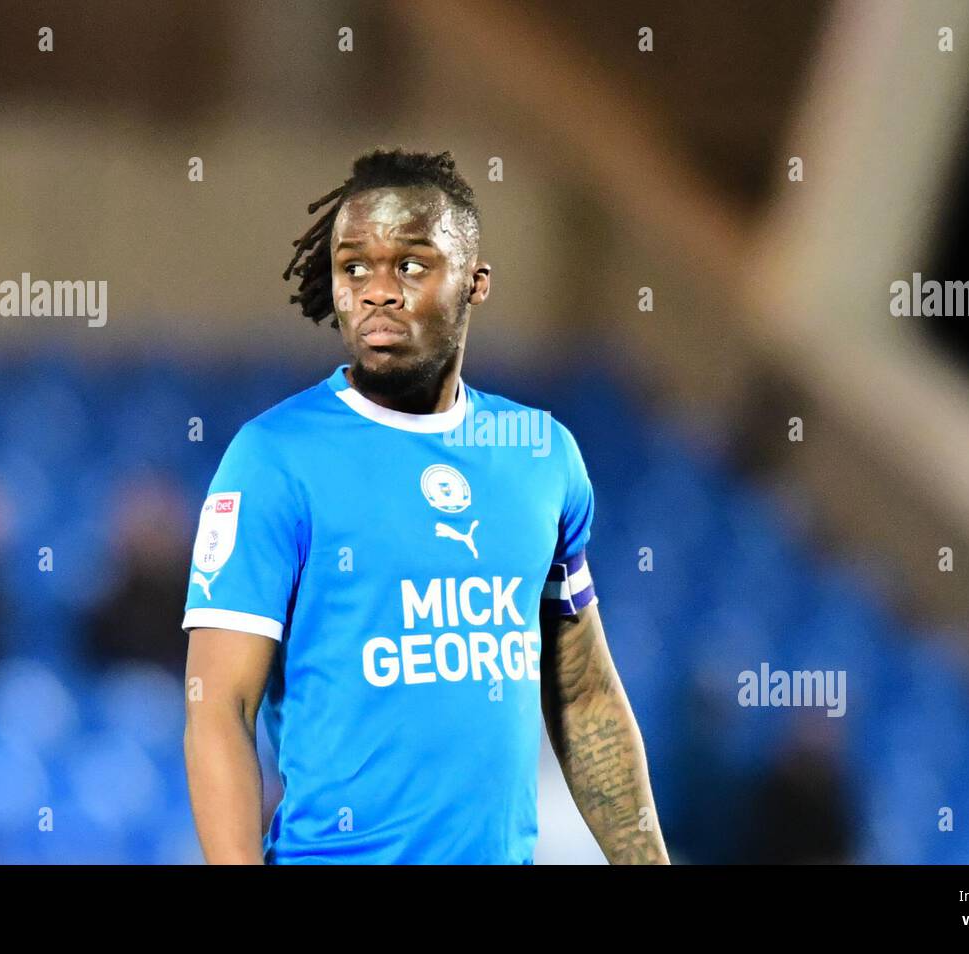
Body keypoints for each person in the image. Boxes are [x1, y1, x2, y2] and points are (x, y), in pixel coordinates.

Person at [182, 148, 669, 864]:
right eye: (354, 268)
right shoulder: (273, 458)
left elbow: (584, 697)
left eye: (411, 265)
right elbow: (218, 709)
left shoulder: (541, 453)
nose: (378, 291)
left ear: (475, 284)